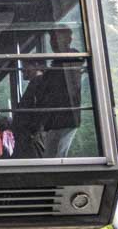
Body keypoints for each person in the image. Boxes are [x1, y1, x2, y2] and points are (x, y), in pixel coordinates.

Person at [16, 27, 83, 158]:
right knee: (52, 156)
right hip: (55, 120)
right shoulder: (56, 66)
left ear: (68, 40)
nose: (53, 42)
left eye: (57, 38)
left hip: (62, 118)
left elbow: (53, 95)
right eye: (52, 39)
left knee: (56, 158)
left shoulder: (70, 60)